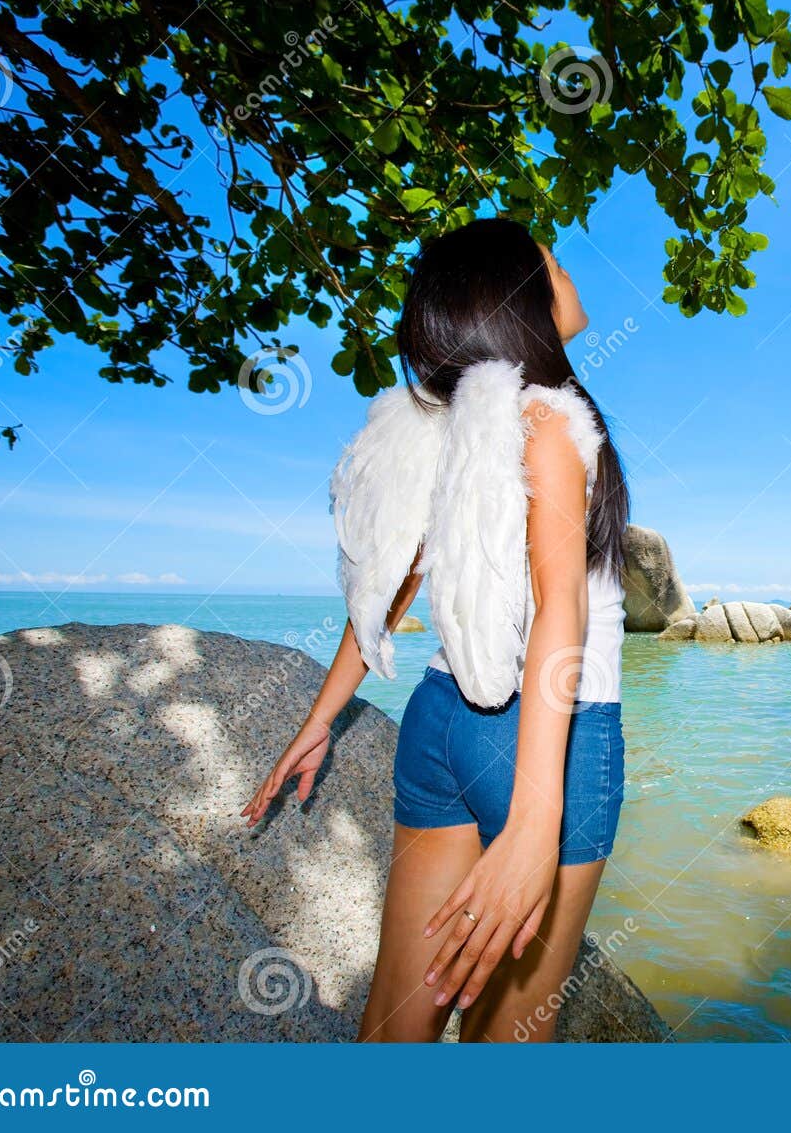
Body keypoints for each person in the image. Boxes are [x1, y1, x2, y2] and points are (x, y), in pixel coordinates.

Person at [241, 218, 630, 1042]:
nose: (567, 273)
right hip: (546, 740)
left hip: (440, 722)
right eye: (552, 265)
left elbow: (388, 585)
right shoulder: (548, 420)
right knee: (509, 1044)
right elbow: (563, 606)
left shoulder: (447, 426)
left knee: (395, 1021)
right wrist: (533, 822)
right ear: (517, 300)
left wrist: (320, 721)